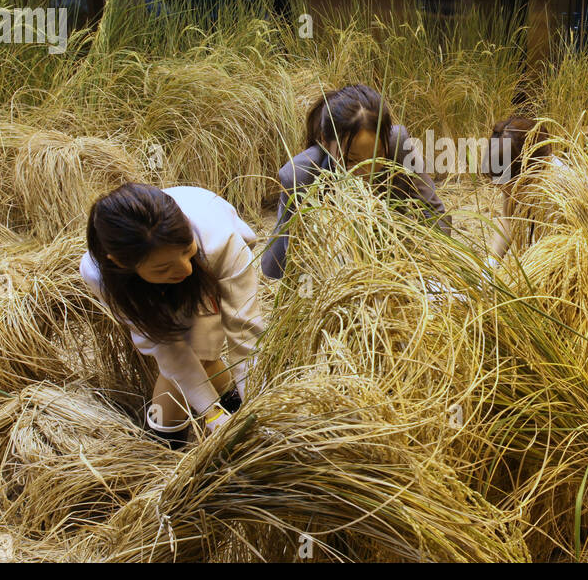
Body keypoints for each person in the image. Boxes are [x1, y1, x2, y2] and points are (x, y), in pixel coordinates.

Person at [82, 183, 265, 449]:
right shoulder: (100, 275)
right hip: (144, 288)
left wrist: (258, 404)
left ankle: (234, 407)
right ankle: (167, 447)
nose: (184, 268)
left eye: (185, 250)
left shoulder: (219, 240)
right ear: (120, 263)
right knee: (189, 356)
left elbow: (245, 330)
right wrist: (211, 413)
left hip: (211, 263)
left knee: (204, 349)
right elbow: (165, 346)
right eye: (164, 267)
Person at [260, 84, 450, 280]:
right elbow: (296, 262)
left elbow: (434, 213)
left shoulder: (398, 145)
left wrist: (427, 269)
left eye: (376, 158)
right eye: (351, 160)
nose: (364, 174)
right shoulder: (300, 176)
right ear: (325, 141)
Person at [485, 117, 563, 262]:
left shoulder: (562, 190)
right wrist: (490, 265)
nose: (502, 189)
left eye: (507, 185)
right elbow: (509, 218)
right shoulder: (513, 173)